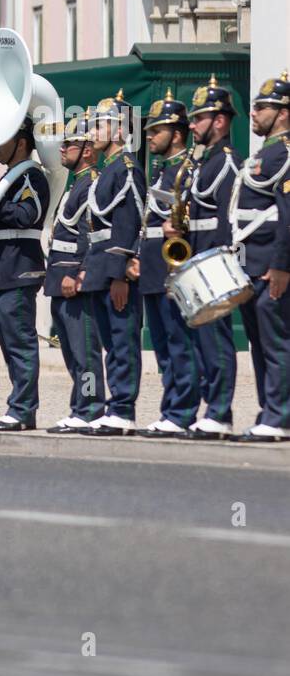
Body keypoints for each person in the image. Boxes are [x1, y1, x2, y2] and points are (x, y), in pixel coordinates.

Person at [171, 76, 240, 439]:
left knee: (217, 342)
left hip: (215, 262)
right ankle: (209, 409)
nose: (192, 125)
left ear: (219, 121)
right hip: (197, 262)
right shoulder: (202, 163)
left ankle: (221, 412)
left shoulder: (226, 162)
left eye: (199, 118)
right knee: (202, 343)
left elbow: (229, 217)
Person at [0, 116, 49, 431]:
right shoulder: (11, 178)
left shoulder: (31, 176)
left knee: (20, 344)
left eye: (2, 141)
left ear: (21, 142)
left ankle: (22, 410)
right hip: (4, 269)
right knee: (11, 344)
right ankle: (18, 407)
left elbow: (26, 216)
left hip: (19, 268)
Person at [135, 90, 201, 438]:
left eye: (156, 130)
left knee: (179, 344)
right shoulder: (161, 172)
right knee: (162, 347)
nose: (149, 135)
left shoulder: (189, 170)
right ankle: (170, 408)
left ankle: (183, 412)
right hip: (153, 267)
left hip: (175, 268)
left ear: (176, 134)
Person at [80, 91, 146, 436]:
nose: (93, 131)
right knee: (110, 344)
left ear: (119, 130)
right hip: (100, 267)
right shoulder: (107, 171)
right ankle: (114, 407)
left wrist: (121, 272)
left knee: (123, 342)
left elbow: (129, 222)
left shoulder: (127, 169)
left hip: (115, 270)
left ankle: (123, 408)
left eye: (100, 124)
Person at [231, 71, 290, 442]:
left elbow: (288, 215)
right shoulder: (265, 153)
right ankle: (271, 411)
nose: (254, 113)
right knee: (261, 345)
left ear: (284, 113)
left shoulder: (284, 155)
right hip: (251, 266)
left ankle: (281, 415)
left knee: (277, 344)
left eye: (263, 107)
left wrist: (282, 266)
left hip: (271, 267)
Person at [43, 113, 105, 433]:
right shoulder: (76, 184)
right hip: (59, 279)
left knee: (85, 354)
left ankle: (92, 407)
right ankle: (81, 405)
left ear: (88, 150)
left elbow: (90, 234)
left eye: (70, 144)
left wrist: (79, 272)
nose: (63, 149)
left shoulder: (92, 183)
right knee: (72, 354)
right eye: (63, 144)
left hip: (73, 281)